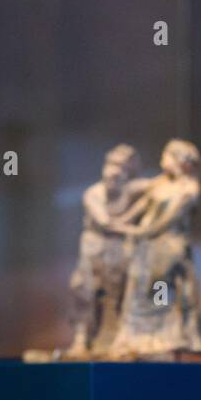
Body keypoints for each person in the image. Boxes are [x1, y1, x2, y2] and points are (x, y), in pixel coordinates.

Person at [106, 139, 201, 360]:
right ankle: (135, 341)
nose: (162, 160)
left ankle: (162, 340)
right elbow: (142, 205)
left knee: (159, 292)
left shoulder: (189, 189)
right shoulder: (160, 183)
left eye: (166, 156)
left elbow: (166, 221)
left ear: (179, 160)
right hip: (146, 247)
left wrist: (133, 231)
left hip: (168, 247)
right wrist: (122, 220)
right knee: (137, 292)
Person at [67, 144, 148, 357]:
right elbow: (105, 222)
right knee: (84, 287)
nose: (113, 171)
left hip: (120, 246)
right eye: (110, 165)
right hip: (94, 245)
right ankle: (81, 338)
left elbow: (154, 186)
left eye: (120, 167)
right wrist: (138, 229)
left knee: (124, 288)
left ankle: (123, 339)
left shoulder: (131, 191)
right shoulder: (93, 193)